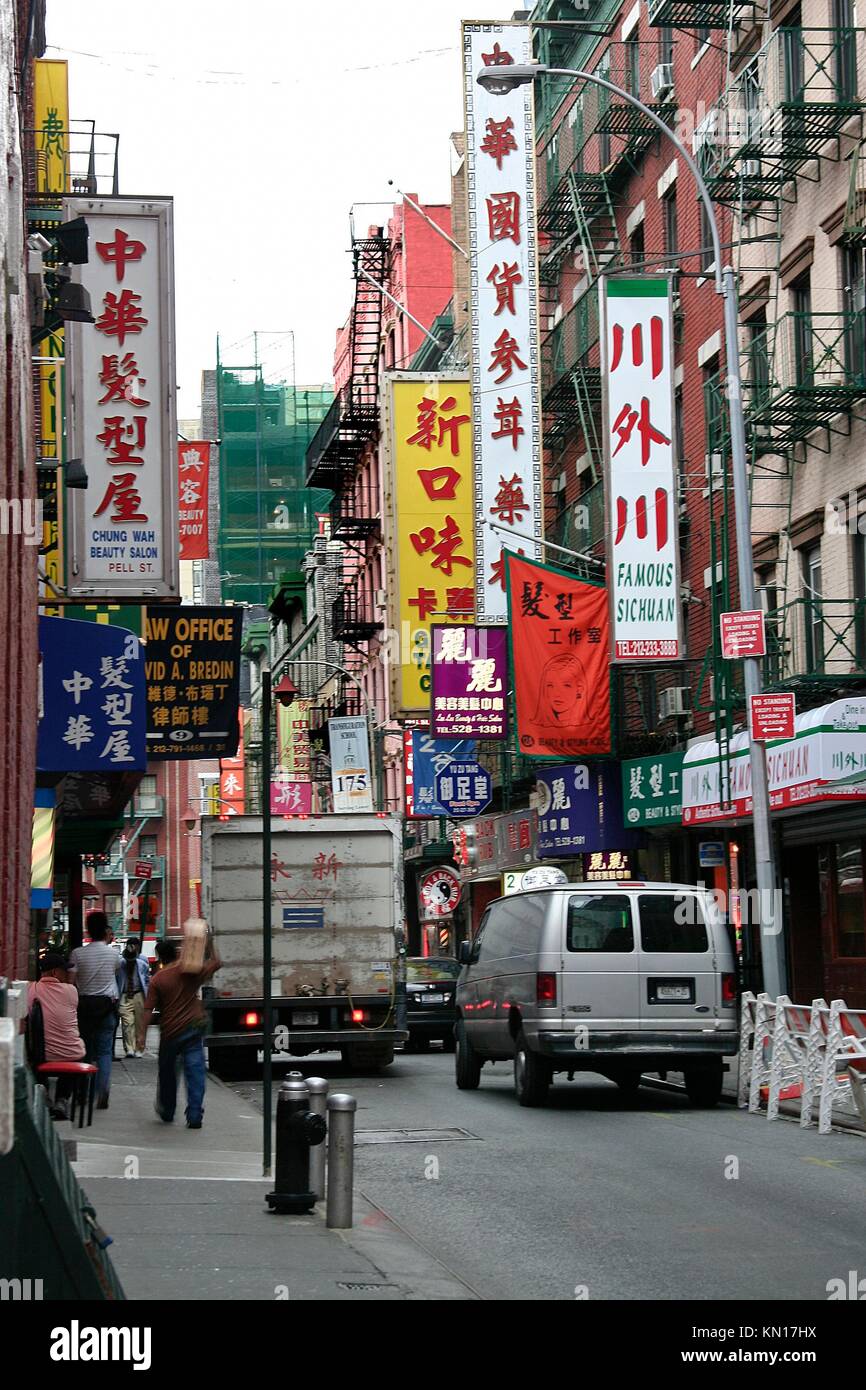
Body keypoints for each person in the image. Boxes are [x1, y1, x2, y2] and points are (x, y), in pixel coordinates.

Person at [138, 935, 221, 1129]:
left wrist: (141, 1034)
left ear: (159, 957)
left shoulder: (158, 979)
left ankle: (167, 1110)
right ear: (176, 954)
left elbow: (148, 1009)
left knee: (167, 1073)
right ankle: (194, 1114)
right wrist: (209, 942)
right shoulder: (190, 972)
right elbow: (216, 963)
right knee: (195, 1071)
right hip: (193, 1028)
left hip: (170, 1033)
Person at [67, 910, 120, 1110]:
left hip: (85, 1008)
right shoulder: (113, 954)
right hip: (107, 1006)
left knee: (86, 1051)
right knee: (105, 1052)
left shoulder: (77, 954)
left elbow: (71, 985)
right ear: (105, 929)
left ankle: (86, 1093)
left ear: (88, 929)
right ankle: (103, 1090)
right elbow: (114, 973)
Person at [28, 953, 86, 1120]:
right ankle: (62, 1099)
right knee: (72, 1052)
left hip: (42, 1056)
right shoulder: (71, 991)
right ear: (54, 972)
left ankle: (43, 1093)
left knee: (35, 1056)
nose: (67, 975)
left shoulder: (32, 989)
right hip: (71, 1055)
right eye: (64, 971)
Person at [531, 653, 587, 729]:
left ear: (579, 688)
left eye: (566, 685)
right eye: (550, 685)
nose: (557, 694)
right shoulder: (538, 727)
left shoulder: (589, 727)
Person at [116, 938, 150, 1058]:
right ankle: (129, 1049)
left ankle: (139, 1049)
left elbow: (147, 980)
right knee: (127, 1023)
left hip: (139, 994)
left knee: (140, 1024)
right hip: (125, 995)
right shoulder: (120, 964)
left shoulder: (142, 963)